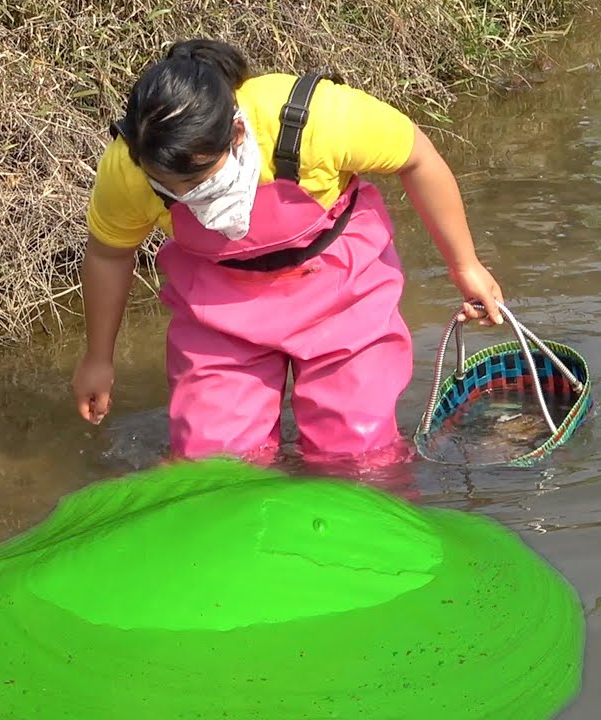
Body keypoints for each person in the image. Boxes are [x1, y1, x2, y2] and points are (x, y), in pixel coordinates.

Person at [72, 38, 506, 478]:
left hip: (340, 287)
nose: (187, 198)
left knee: (357, 459)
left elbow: (419, 159)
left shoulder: (316, 119)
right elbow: (110, 254)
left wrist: (464, 265)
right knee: (212, 468)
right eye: (169, 187)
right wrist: (98, 357)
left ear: (237, 133)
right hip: (220, 303)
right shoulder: (127, 169)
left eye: (200, 182)